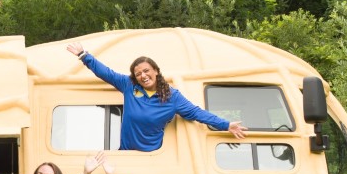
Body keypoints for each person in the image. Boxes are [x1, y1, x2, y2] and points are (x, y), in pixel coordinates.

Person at [65, 42, 248, 151]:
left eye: (146, 71)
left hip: (151, 155)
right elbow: (106, 73)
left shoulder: (172, 97)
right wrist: (83, 55)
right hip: (126, 153)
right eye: (138, 73)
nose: (143, 76)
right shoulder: (129, 85)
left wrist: (226, 124)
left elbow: (197, 113)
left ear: (156, 71)